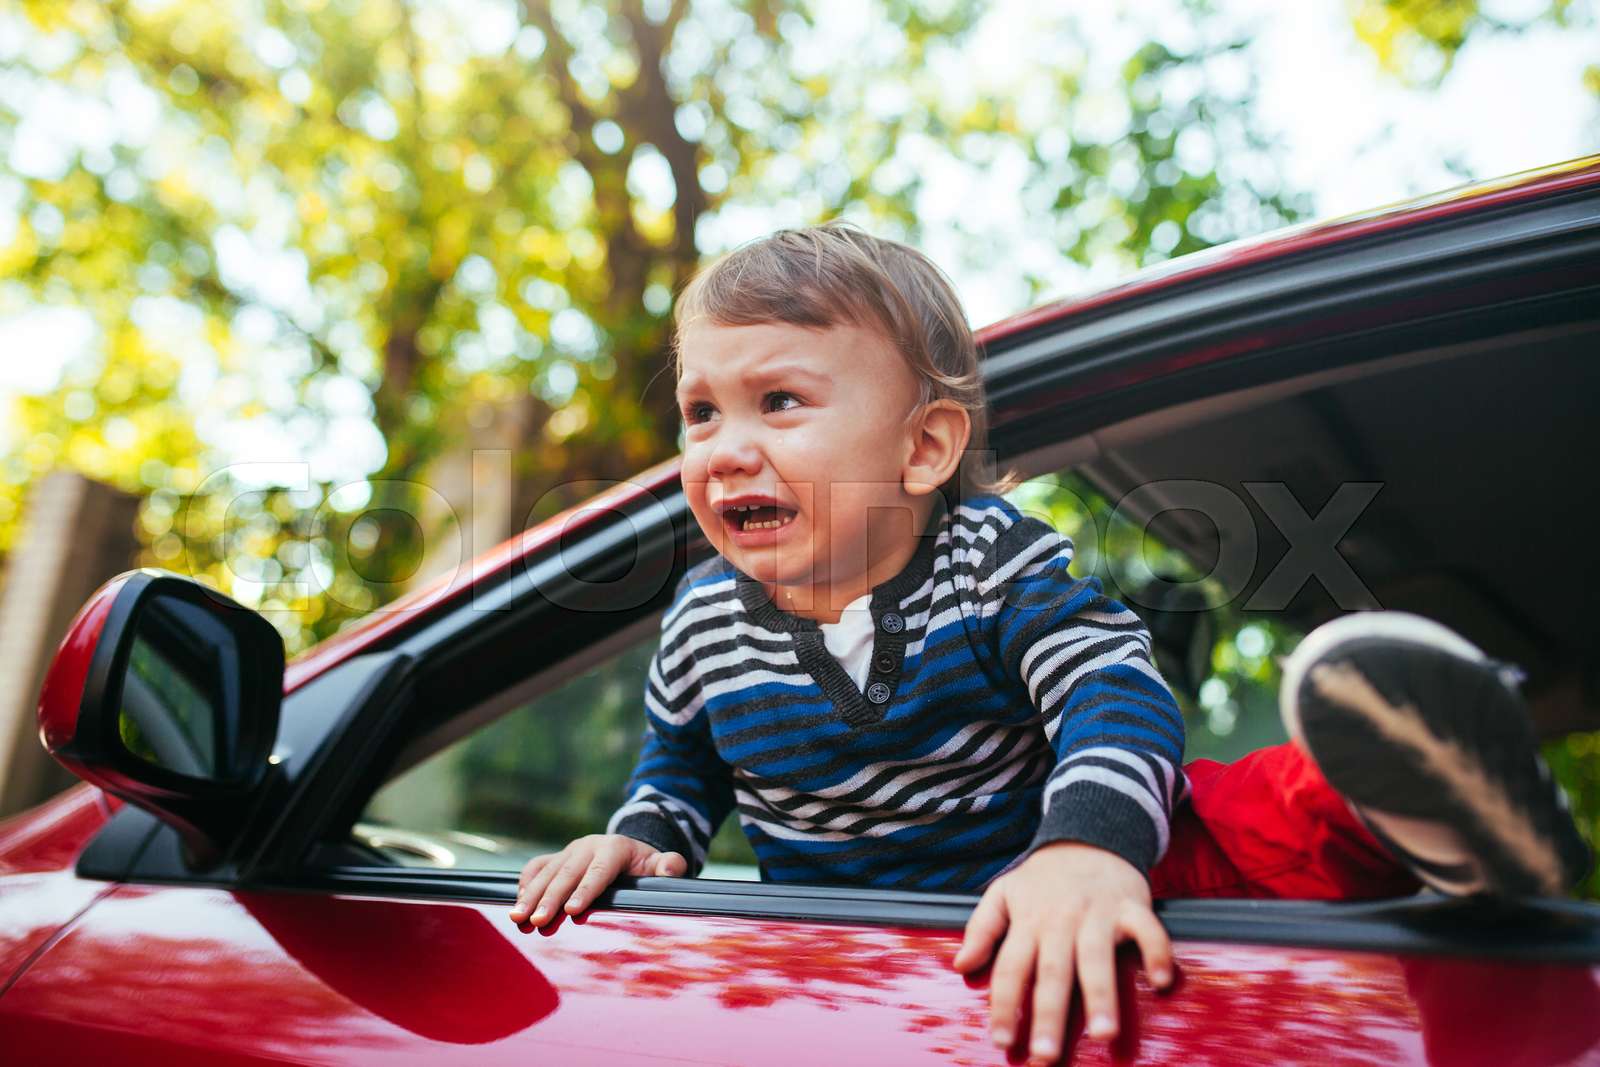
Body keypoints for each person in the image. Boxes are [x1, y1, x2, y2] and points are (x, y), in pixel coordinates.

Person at [510, 222, 1589, 1066]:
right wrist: (643, 841)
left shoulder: (992, 559)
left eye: (778, 401)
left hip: (1095, 865)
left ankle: (1438, 809)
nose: (723, 449)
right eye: (701, 412)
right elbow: (682, 768)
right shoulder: (702, 618)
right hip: (880, 949)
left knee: (1248, 808)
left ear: (924, 448)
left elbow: (1111, 689)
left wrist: (1085, 850)